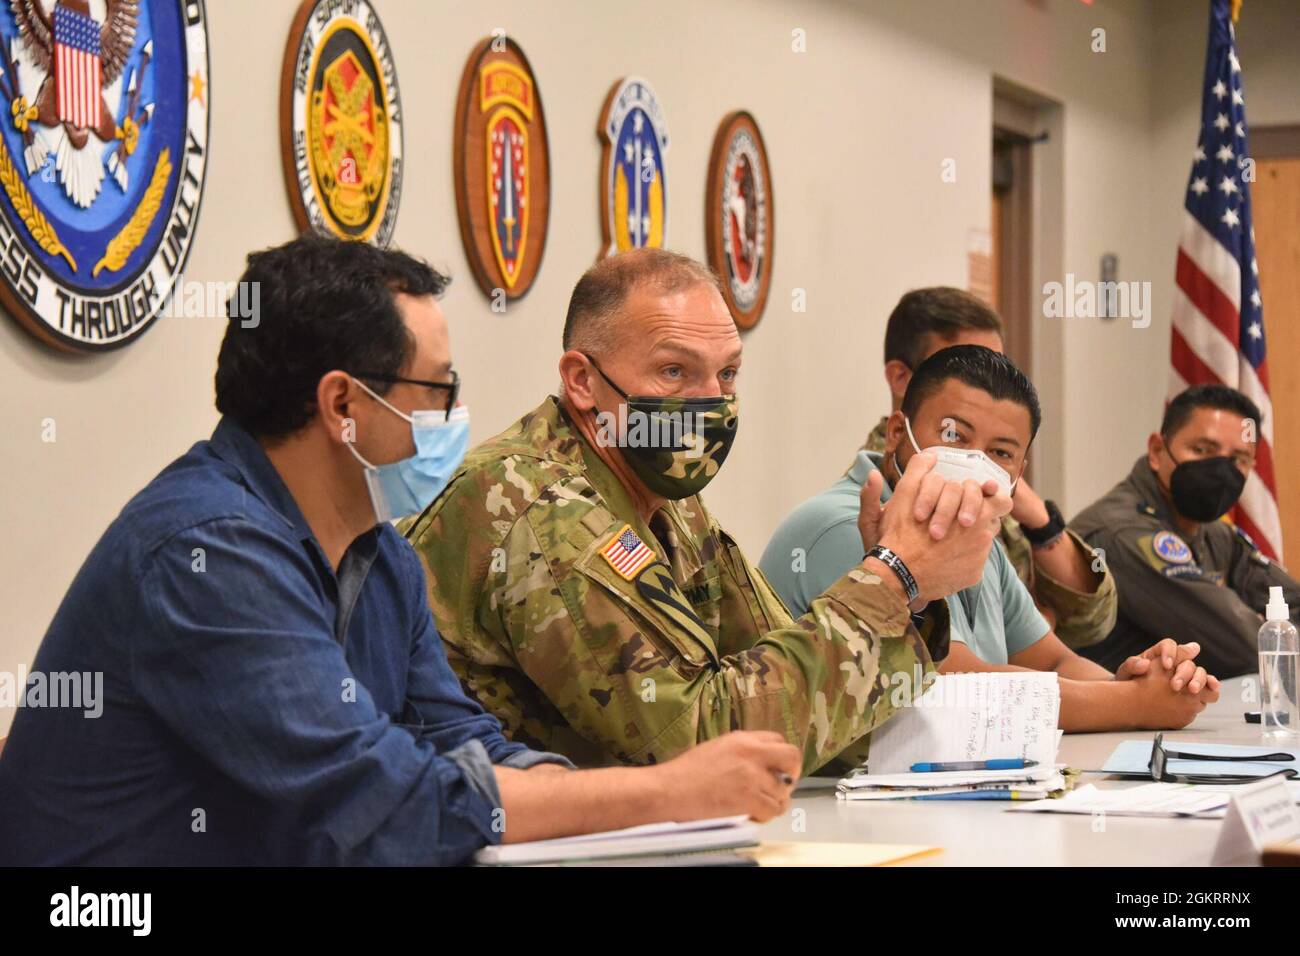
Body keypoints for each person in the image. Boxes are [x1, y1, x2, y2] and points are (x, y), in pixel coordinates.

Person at [0, 236, 802, 866]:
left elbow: (467, 744)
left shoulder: (378, 555)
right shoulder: (208, 555)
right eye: (438, 391)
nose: (456, 415)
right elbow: (383, 805)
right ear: (344, 403)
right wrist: (662, 796)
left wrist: (601, 799)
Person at [404, 248, 1012, 774]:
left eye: (726, 375)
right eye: (675, 373)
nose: (710, 404)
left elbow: (796, 698)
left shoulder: (666, 495)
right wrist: (890, 577)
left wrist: (905, 595)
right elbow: (700, 750)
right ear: (583, 382)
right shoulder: (542, 511)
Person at [761, 346, 1220, 732]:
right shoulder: (853, 525)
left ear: (1019, 473)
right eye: (953, 436)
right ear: (898, 432)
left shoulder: (977, 534)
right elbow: (963, 687)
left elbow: (1053, 662)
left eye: (1000, 451)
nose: (973, 462)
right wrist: (1136, 706)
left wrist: (1134, 682)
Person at [856, 287, 1115, 648]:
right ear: (901, 378)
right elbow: (951, 666)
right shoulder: (872, 501)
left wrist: (1041, 523)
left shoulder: (992, 479)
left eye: (995, 364)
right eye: (962, 362)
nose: (987, 381)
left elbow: (1092, 623)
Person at [1070, 384, 1300, 679]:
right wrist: (1261, 625)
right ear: (1156, 451)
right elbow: (1248, 647)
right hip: (1110, 719)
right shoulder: (1120, 533)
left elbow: (1288, 601)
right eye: (1202, 450)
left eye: (1238, 460)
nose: (1220, 470)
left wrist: (1270, 625)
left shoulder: (1215, 533)